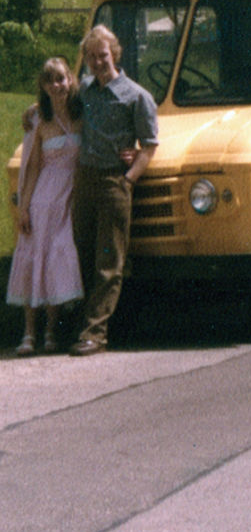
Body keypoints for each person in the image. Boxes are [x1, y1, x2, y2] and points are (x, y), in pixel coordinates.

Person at [68, 24, 158, 356]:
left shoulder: (136, 96)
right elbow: (61, 107)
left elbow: (149, 146)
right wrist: (35, 113)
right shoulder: (86, 90)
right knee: (83, 254)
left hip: (114, 183)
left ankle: (95, 334)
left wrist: (129, 178)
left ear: (115, 54)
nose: (97, 62)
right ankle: (83, 324)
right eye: (91, 57)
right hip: (86, 179)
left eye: (102, 55)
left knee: (109, 261)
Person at [7, 57, 85, 356]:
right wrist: (24, 209)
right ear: (43, 85)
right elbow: (32, 168)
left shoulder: (82, 114)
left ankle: (51, 332)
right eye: (50, 80)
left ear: (70, 80)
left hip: (71, 196)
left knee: (57, 260)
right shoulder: (39, 120)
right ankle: (28, 333)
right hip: (43, 198)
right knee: (34, 259)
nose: (57, 85)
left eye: (61, 79)